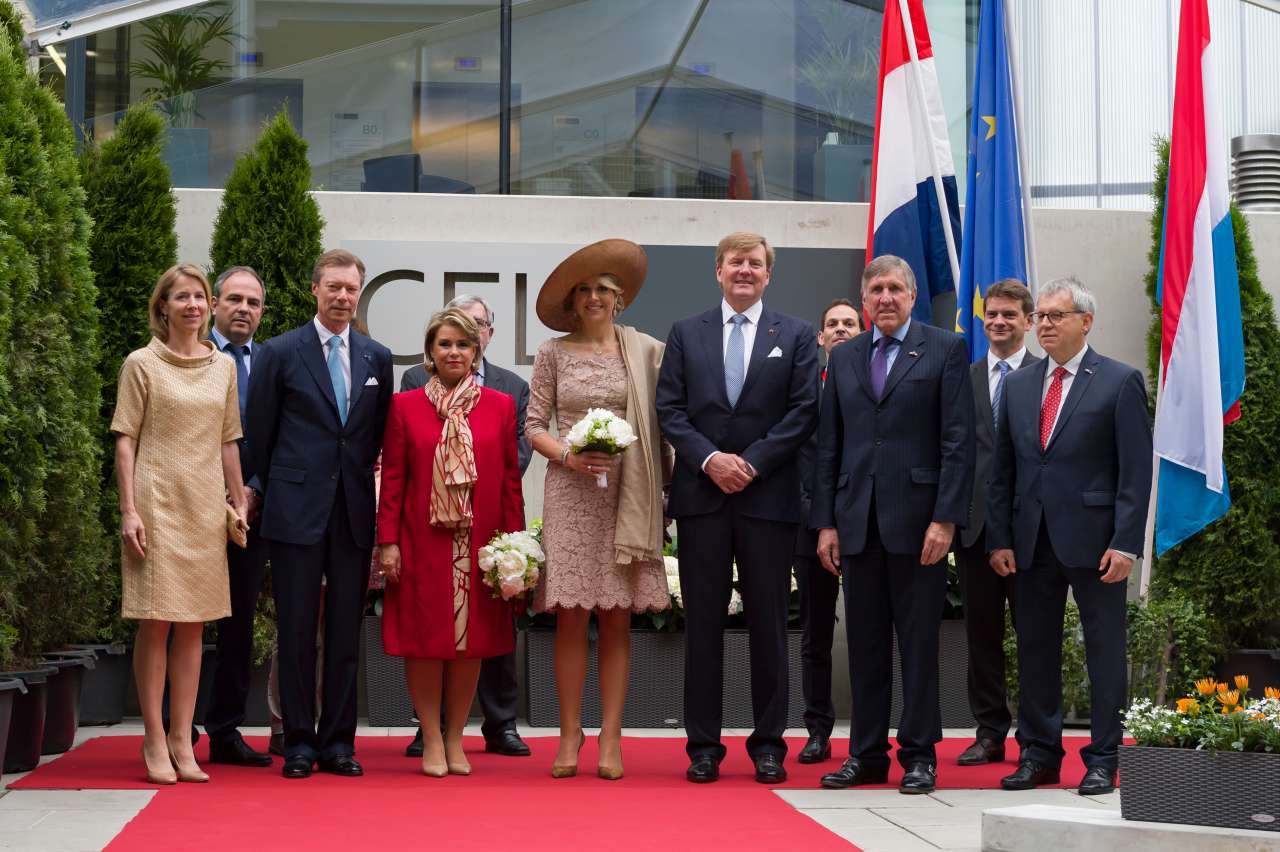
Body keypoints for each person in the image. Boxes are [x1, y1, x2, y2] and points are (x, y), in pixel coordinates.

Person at [656, 231, 819, 785]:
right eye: (735, 263)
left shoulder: (796, 335)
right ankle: (703, 746)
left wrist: (749, 463)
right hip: (703, 500)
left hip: (767, 500)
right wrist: (709, 462)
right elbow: (670, 410)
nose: (744, 271)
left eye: (755, 263)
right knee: (701, 626)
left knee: (769, 626)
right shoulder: (686, 333)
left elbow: (803, 412)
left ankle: (769, 745)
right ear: (718, 271)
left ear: (768, 274)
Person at [812, 254, 974, 795]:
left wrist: (945, 519)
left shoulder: (945, 349)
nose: (885, 297)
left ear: (911, 296)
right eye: (876, 288)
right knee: (864, 646)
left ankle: (921, 755)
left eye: (895, 289)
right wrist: (827, 523)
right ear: (865, 298)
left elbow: (957, 441)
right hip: (857, 524)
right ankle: (867, 754)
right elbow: (831, 445)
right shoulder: (848, 355)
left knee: (919, 645)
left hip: (920, 525)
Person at [987, 277, 1151, 795]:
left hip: (1098, 543)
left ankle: (1104, 757)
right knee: (1035, 651)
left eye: (1057, 316)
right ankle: (1039, 753)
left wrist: (1126, 542)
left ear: (1087, 321)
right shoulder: (1016, 385)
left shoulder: (1120, 381)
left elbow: (1135, 473)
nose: (1046, 324)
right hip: (1030, 542)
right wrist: (999, 539)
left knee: (1104, 651)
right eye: (1042, 317)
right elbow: (1002, 472)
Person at [245, 249, 393, 779]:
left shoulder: (378, 358)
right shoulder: (282, 352)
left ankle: (338, 744)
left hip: (353, 512)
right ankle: (300, 742)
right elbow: (258, 436)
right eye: (333, 287)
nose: (343, 297)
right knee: (298, 630)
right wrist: (276, 489)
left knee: (345, 635)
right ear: (315, 290)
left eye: (351, 289)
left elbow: (373, 436)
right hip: (294, 511)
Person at [528, 239, 671, 781]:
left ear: (619, 298)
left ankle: (611, 736)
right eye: (584, 289)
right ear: (573, 299)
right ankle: (569, 734)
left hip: (626, 494)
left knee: (616, 618)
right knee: (570, 617)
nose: (593, 297)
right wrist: (567, 454)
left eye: (603, 289)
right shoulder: (552, 352)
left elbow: (665, 427)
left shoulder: (646, 351)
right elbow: (533, 424)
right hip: (570, 493)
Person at [111, 264, 248, 784]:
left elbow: (227, 439)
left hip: (204, 505)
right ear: (162, 306)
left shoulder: (223, 368)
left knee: (194, 625)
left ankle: (181, 738)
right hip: (156, 501)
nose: (192, 304)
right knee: (157, 620)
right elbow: (125, 438)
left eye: (199, 296)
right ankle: (152, 735)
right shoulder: (140, 364)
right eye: (181, 297)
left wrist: (237, 502)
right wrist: (129, 510)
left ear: (209, 306)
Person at [377, 308, 525, 777]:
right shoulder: (405, 407)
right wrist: (388, 543)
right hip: (421, 541)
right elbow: (394, 478)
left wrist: (514, 548)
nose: (454, 352)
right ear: (430, 352)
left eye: (463, 344)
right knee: (425, 643)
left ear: (477, 350)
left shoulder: (500, 405)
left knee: (470, 643)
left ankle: (457, 737)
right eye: (445, 344)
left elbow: (508, 481)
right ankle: (432, 738)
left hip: (479, 542)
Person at [953, 280, 1039, 767]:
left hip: (1032, 531)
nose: (1000, 323)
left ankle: (1034, 735)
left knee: (1033, 637)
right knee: (981, 637)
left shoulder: (1046, 377)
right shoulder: (964, 378)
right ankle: (989, 733)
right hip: (976, 531)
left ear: (1028, 321)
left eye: (1010, 315)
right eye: (993, 315)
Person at [202, 266, 273, 769]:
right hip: (188, 503)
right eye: (234, 299)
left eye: (252, 302)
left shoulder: (270, 363)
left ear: (262, 312)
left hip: (252, 508)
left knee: (238, 622)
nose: (243, 308)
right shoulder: (191, 356)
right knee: (178, 619)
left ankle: (225, 731)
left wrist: (252, 490)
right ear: (213, 303)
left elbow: (280, 436)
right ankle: (172, 731)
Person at [794, 298, 861, 764]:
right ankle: (818, 730)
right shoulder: (802, 387)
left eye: (849, 324)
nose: (840, 330)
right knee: (815, 634)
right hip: (809, 525)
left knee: (867, 632)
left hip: (865, 525)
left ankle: (869, 732)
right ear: (820, 338)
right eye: (832, 324)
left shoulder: (877, 384)